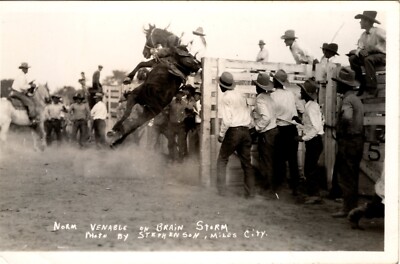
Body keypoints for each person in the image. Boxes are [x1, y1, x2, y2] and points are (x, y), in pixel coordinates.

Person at [331, 66, 364, 218]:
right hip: (357, 140)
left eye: (339, 83)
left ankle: (347, 208)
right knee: (352, 175)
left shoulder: (347, 100)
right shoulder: (356, 99)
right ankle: (351, 207)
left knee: (346, 175)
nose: (337, 85)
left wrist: (341, 130)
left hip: (348, 141)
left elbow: (346, 117)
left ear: (343, 85)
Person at [216, 72, 255, 198]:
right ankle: (250, 193)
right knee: (246, 163)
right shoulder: (240, 95)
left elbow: (227, 120)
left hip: (234, 131)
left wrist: (221, 134)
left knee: (222, 159)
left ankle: (221, 191)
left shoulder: (226, 97)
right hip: (246, 130)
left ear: (223, 86)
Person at [270, 69, 301, 196]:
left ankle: (278, 186)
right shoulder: (290, 94)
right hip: (291, 128)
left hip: (280, 128)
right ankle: (295, 187)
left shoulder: (272, 96)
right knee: (293, 159)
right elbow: (299, 110)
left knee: (278, 159)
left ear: (274, 81)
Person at [296, 78, 325, 204]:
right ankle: (313, 193)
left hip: (314, 140)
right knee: (310, 167)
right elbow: (313, 125)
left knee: (310, 168)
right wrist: (299, 122)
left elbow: (316, 127)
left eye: (302, 91)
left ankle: (315, 195)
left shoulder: (311, 107)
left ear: (306, 93)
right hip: (313, 140)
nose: (300, 92)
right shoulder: (310, 106)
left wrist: (303, 138)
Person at [251, 73, 279, 196]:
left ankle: (267, 189)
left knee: (265, 160)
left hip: (267, 132)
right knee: (271, 160)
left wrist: (257, 128)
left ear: (259, 87)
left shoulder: (260, 98)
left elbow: (266, 117)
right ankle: (271, 187)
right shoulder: (269, 98)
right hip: (274, 130)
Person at [348, 11, 386, 96]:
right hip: (369, 56)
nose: (360, 22)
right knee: (352, 59)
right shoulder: (363, 35)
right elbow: (359, 48)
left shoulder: (379, 31)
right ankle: (361, 83)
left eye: (361, 20)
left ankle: (372, 88)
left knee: (368, 59)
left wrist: (373, 49)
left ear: (367, 21)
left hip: (382, 56)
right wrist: (360, 51)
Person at [166, 90, 189, 163]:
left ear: (182, 95)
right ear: (175, 95)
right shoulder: (171, 103)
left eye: (180, 94)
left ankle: (180, 159)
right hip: (172, 124)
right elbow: (166, 112)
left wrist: (184, 118)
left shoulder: (185, 104)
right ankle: (171, 157)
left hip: (181, 125)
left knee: (181, 142)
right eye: (177, 94)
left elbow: (189, 112)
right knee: (170, 142)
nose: (179, 96)